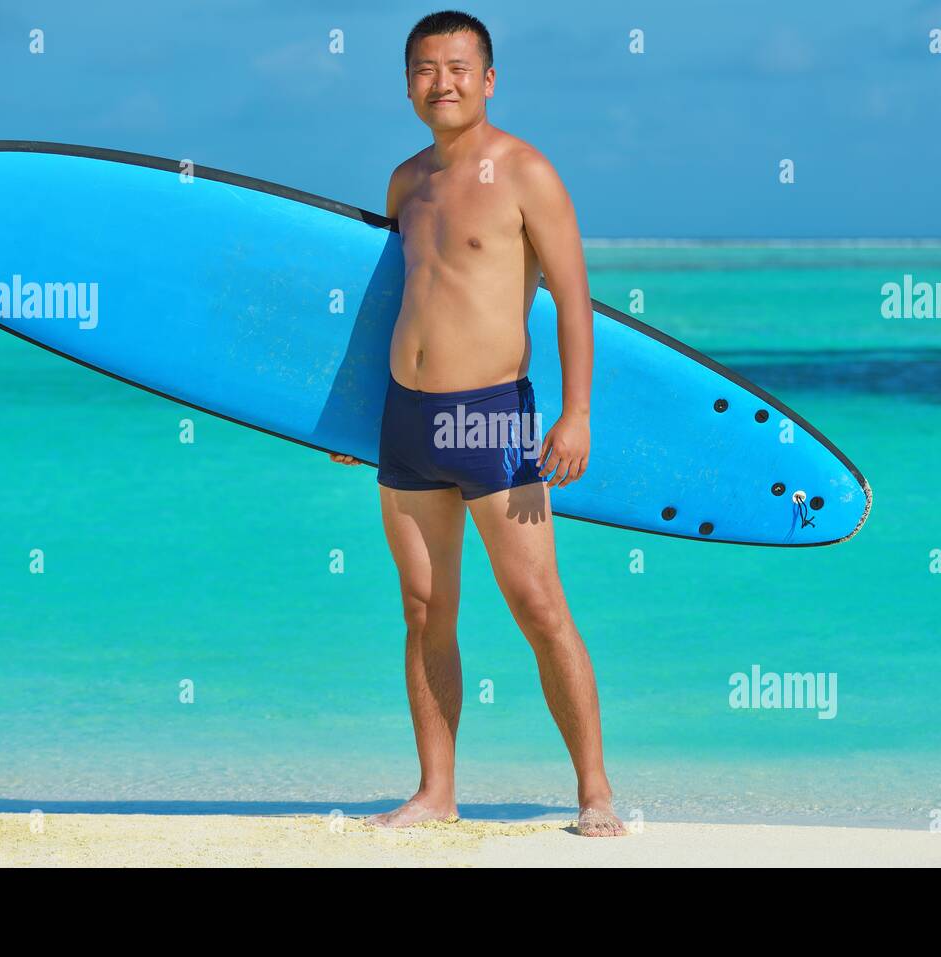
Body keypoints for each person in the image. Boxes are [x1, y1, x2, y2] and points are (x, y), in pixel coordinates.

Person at [329, 10, 625, 837]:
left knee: (537, 604)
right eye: (426, 69)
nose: (443, 82)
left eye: (458, 68)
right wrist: (353, 417)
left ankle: (596, 790)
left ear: (488, 80)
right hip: (405, 415)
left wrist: (576, 414)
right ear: (407, 85)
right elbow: (391, 301)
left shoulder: (527, 173)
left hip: (492, 416)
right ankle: (435, 792)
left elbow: (574, 300)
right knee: (424, 608)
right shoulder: (405, 183)